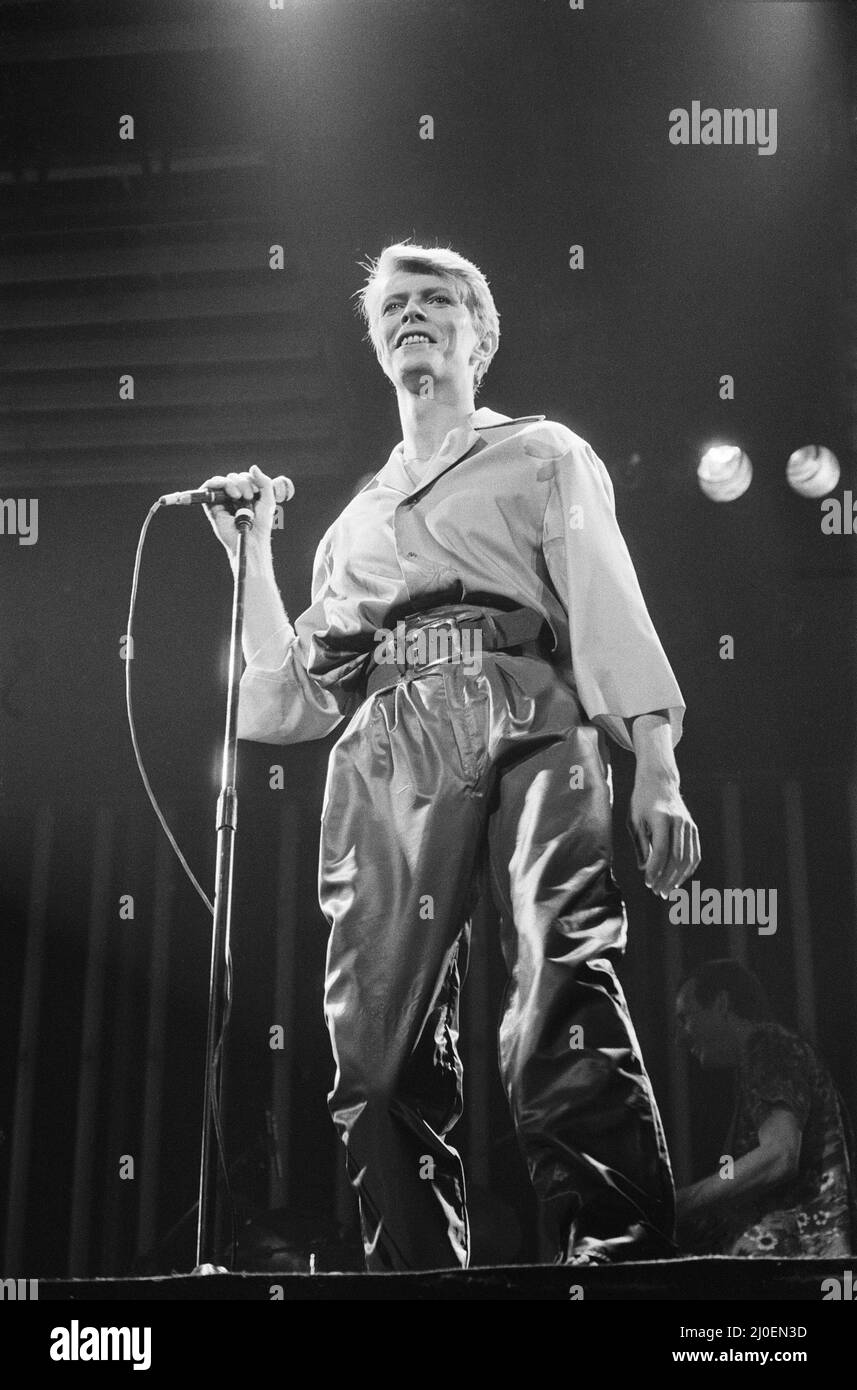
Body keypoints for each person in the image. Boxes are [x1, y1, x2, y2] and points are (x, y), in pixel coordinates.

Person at [201, 241, 701, 1270]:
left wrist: (654, 758)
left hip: (524, 706)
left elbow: (606, 602)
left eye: (435, 300)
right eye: (393, 305)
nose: (411, 314)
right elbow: (285, 694)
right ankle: (417, 1280)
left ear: (479, 333)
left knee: (555, 1000)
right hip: (388, 744)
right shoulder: (352, 525)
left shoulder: (540, 453)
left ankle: (612, 1264)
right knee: (375, 1062)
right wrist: (249, 549)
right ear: (377, 341)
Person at [674, 958, 856, 1256]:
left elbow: (778, 1156)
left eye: (685, 1018)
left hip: (790, 1266)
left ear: (721, 1003)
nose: (680, 1037)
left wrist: (682, 1202)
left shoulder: (769, 1048)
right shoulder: (768, 1054)